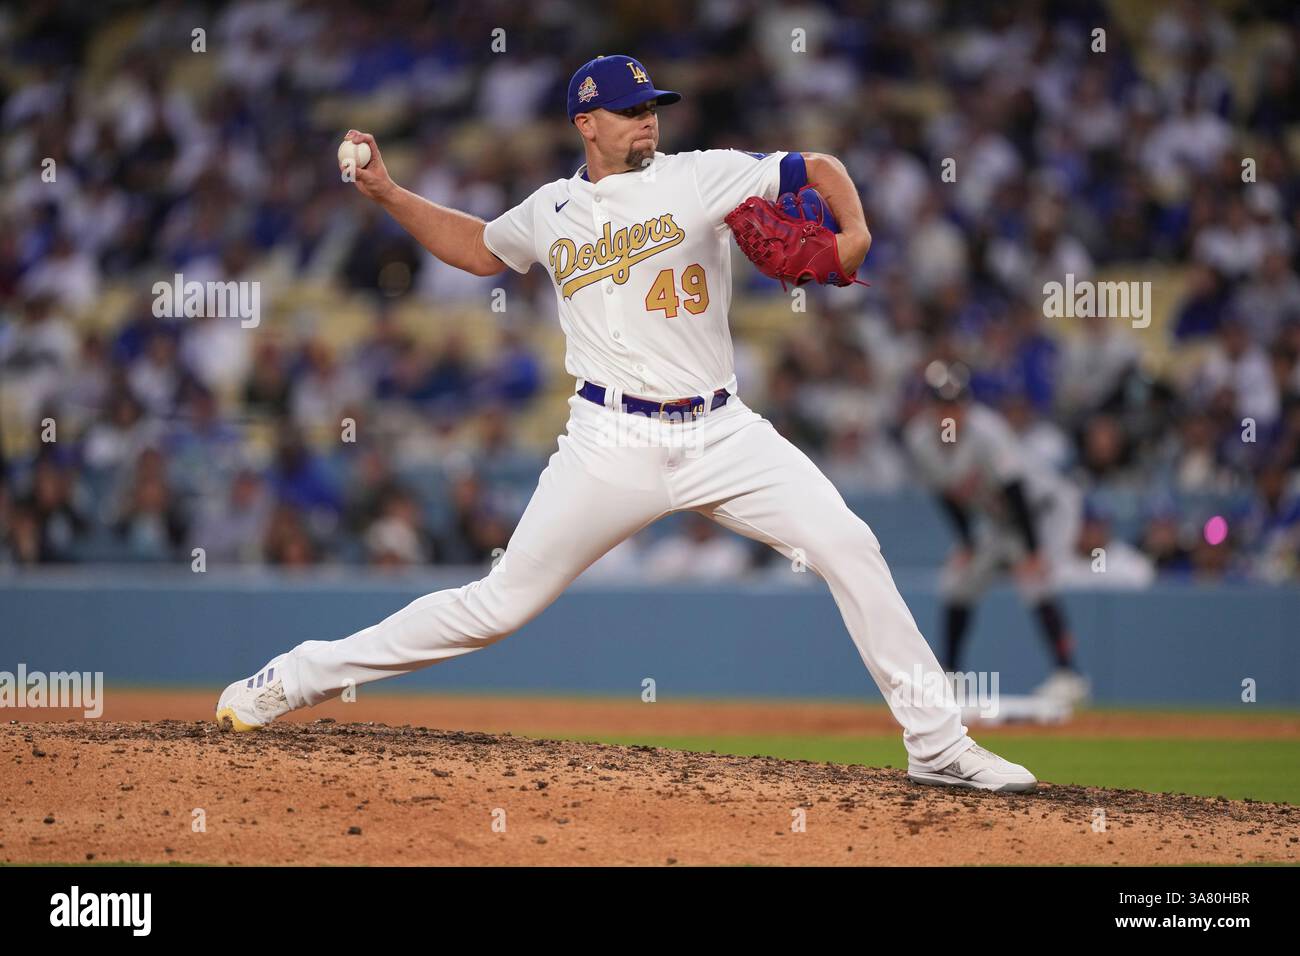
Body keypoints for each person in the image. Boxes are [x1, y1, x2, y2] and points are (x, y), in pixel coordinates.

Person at [216, 55, 1036, 792]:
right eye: (630, 109)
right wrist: (390, 193)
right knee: (497, 607)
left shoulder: (703, 176)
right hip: (609, 442)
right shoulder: (552, 209)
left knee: (850, 545)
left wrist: (853, 230)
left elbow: (816, 165)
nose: (648, 119)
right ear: (587, 123)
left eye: (653, 107)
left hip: (723, 431)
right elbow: (477, 248)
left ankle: (936, 741)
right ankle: (297, 676)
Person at [904, 361, 1090, 706]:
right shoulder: (919, 440)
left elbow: (1016, 488)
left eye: (956, 403)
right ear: (930, 408)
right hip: (996, 518)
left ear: (967, 404)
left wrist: (1033, 551)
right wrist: (967, 543)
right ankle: (950, 676)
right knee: (958, 581)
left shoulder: (987, 431)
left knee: (1037, 583)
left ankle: (1069, 675)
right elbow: (947, 494)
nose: (950, 411)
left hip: (1042, 510)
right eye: (942, 404)